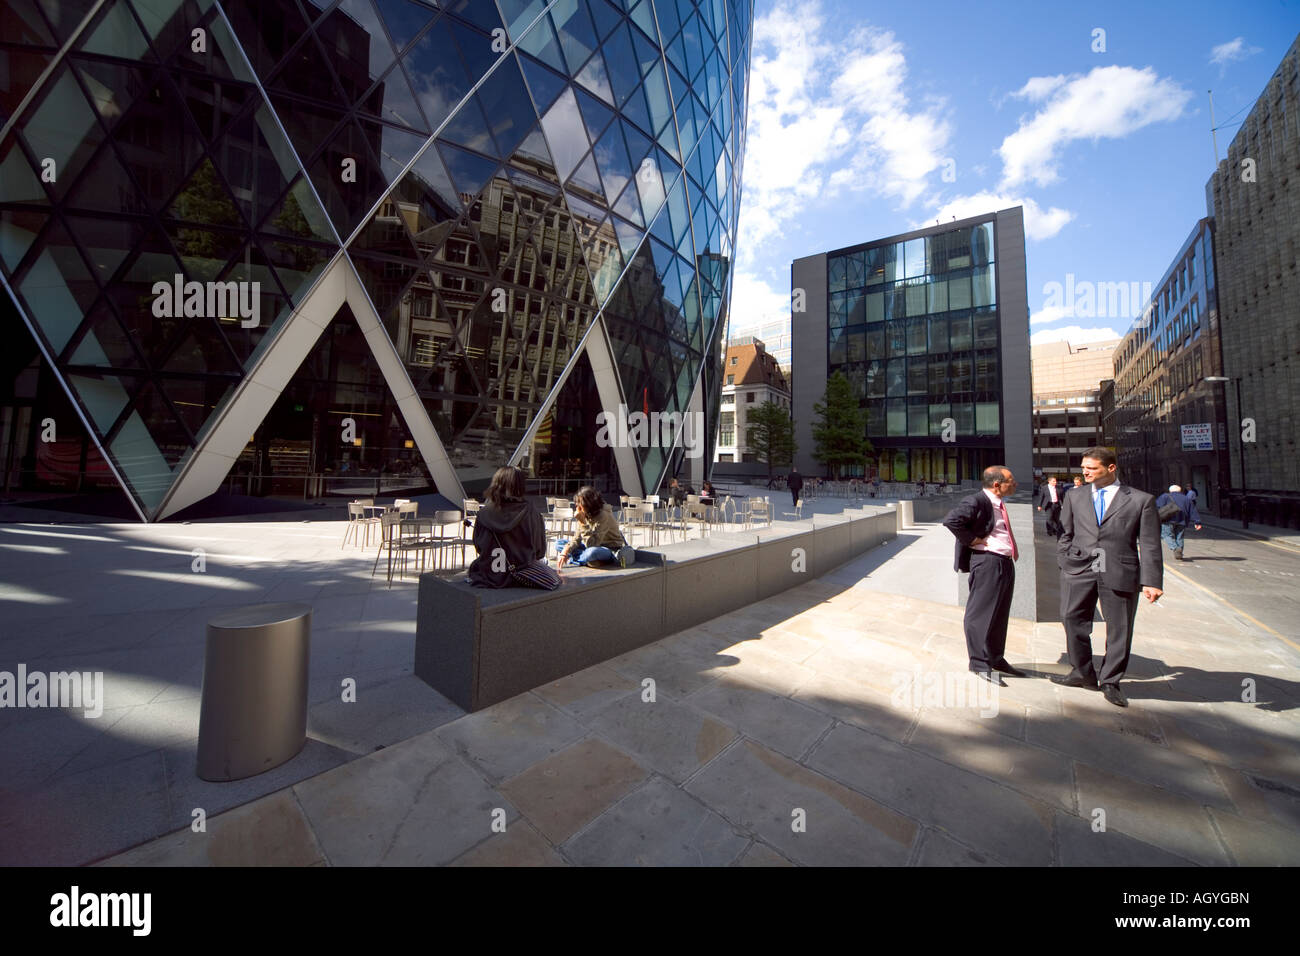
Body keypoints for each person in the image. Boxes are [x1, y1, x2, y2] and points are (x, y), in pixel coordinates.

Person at [1054, 447, 1163, 708]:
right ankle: (1082, 672)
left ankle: (1111, 680)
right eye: (1083, 468)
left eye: (1091, 468)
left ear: (1111, 468)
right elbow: (1065, 531)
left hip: (1119, 568)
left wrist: (1152, 581)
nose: (1085, 472)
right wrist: (1064, 559)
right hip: (1079, 568)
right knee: (1071, 618)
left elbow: (1149, 543)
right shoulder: (1074, 495)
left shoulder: (1140, 500)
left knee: (1120, 627)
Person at [942, 465, 1026, 685]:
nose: (1015, 484)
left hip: (1004, 562)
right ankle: (979, 662)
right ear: (997, 485)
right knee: (980, 614)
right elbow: (951, 521)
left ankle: (996, 658)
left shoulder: (998, 503)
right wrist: (972, 540)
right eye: (1011, 480)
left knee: (999, 614)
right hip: (988, 562)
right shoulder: (976, 501)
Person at [467, 465, 555, 588]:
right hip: (523, 575)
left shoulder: (483, 514)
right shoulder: (531, 513)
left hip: (487, 575)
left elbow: (479, 547)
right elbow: (539, 551)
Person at [558, 486, 636, 568]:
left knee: (592, 553)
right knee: (559, 543)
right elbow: (576, 539)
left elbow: (592, 544)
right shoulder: (584, 513)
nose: (578, 508)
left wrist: (583, 523)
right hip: (588, 546)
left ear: (589, 504)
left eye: (580, 504)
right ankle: (587, 560)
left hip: (609, 549)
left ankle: (576, 559)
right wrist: (565, 552)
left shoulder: (604, 515)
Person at [1154, 484, 1202, 561]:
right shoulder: (1186, 498)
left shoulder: (1165, 496)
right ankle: (1179, 554)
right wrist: (1197, 522)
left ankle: (1175, 548)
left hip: (1167, 520)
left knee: (1166, 535)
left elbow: (1156, 506)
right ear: (1180, 490)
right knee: (1179, 537)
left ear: (1170, 490)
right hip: (1182, 520)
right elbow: (1193, 510)